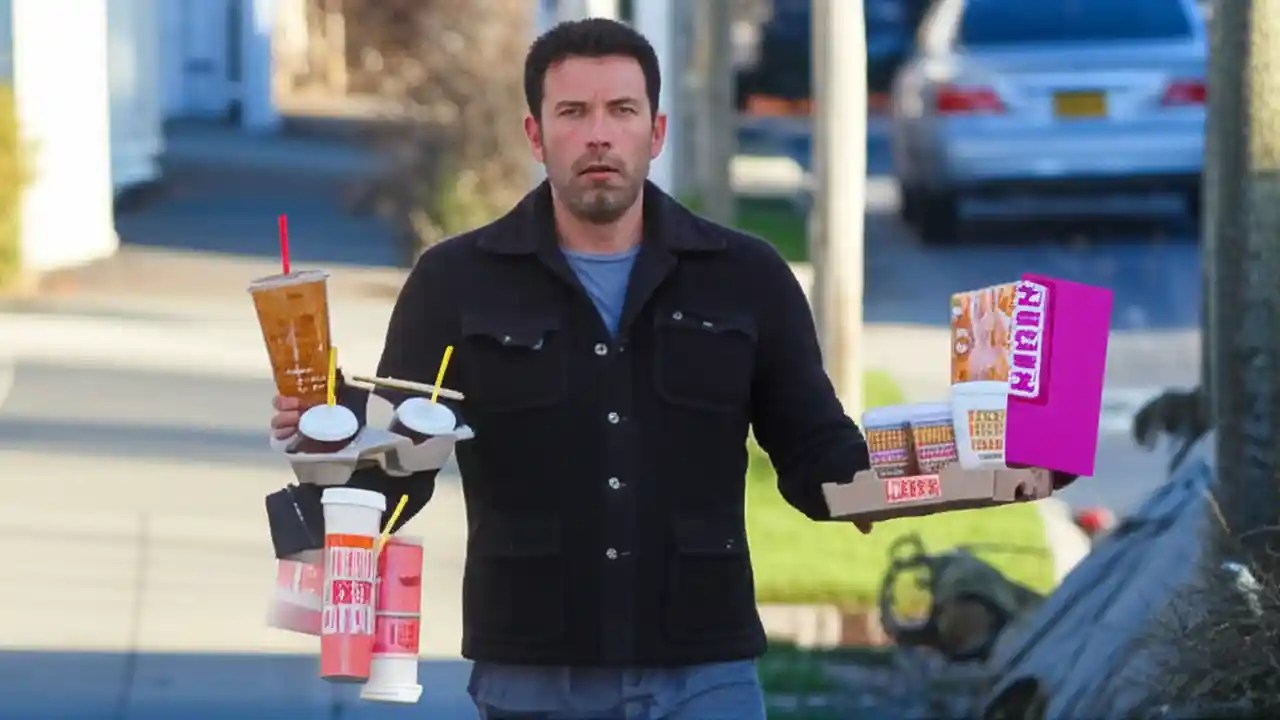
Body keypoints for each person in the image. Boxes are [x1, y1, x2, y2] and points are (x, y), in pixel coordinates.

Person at [271, 18, 877, 719]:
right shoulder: (457, 281)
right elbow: (395, 479)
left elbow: (813, 450)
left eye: (622, 110)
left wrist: (921, 473)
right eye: (573, 112)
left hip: (704, 671)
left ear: (657, 132)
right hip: (532, 675)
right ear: (535, 135)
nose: (599, 134)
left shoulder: (745, 277)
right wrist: (325, 440)